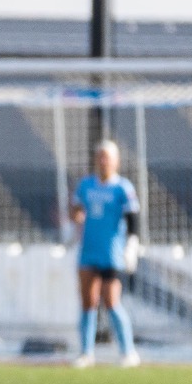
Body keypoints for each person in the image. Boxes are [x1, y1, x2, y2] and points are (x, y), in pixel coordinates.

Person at [70, 140, 141, 368]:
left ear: (116, 161)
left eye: (107, 157)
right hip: (89, 250)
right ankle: (86, 353)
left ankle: (128, 351)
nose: (102, 161)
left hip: (112, 253)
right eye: (99, 157)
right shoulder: (86, 185)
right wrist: (75, 218)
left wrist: (132, 246)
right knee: (88, 301)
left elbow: (133, 218)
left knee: (111, 301)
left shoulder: (123, 188)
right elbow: (76, 209)